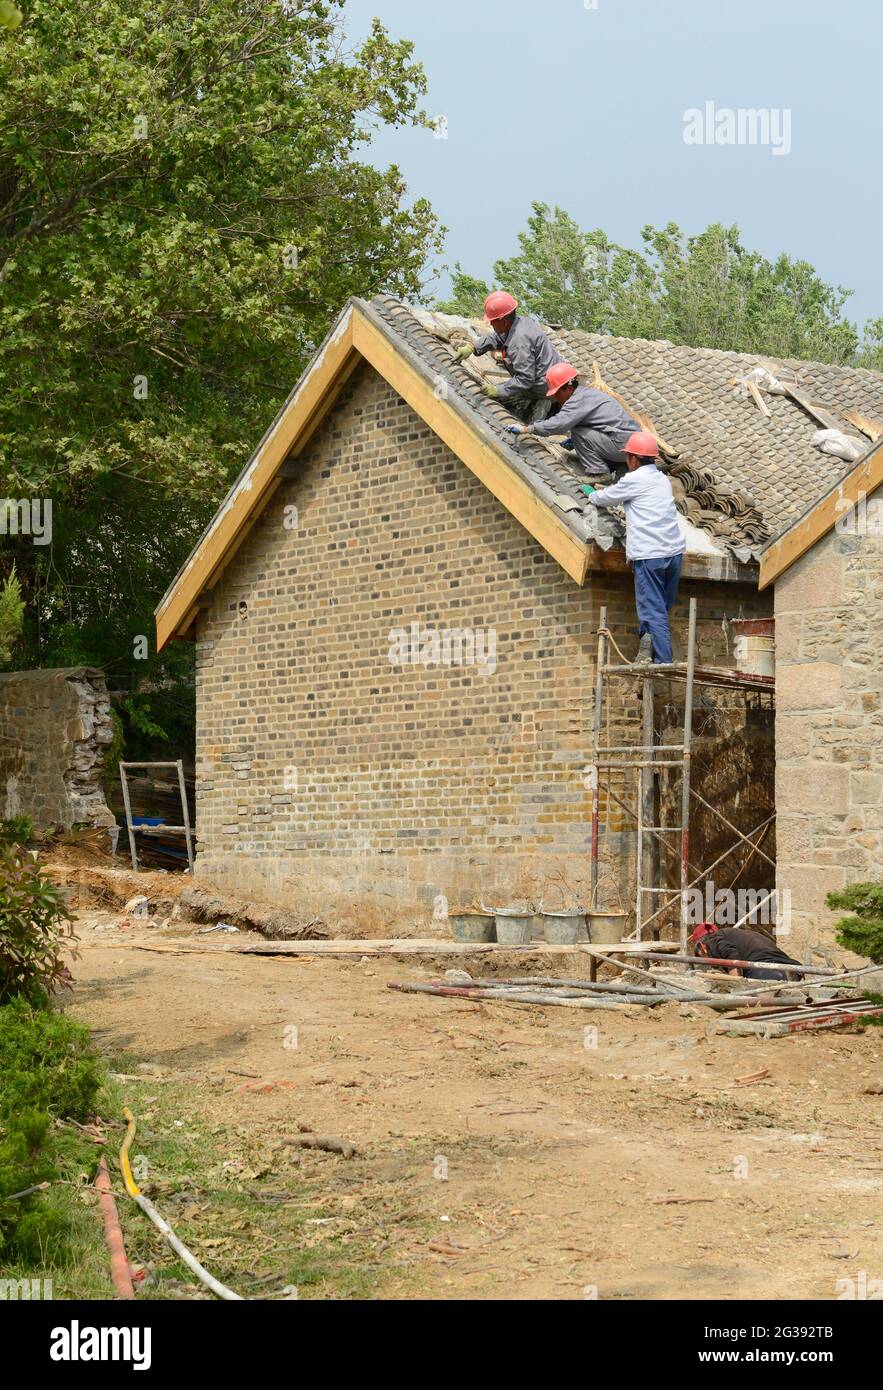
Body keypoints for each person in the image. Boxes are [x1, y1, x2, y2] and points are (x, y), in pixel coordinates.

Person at [587, 431, 686, 663]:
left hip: (650, 555)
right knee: (660, 607)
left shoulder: (634, 479)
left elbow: (606, 498)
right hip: (673, 553)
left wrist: (592, 494)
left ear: (633, 459)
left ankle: (663, 662)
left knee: (653, 611)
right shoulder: (661, 479)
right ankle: (646, 650)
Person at [510, 362, 640, 478]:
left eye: (557, 392)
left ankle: (600, 473)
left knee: (578, 432)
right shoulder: (587, 395)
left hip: (625, 446)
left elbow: (559, 424)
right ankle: (614, 466)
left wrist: (528, 429)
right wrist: (574, 441)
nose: (555, 396)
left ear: (569, 388)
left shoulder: (578, 400)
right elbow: (600, 425)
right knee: (578, 433)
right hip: (629, 445)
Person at [455, 290, 561, 421]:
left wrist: (499, 390)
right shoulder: (519, 322)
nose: (491, 323)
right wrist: (473, 347)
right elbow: (496, 338)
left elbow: (525, 378)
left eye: (493, 321)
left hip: (545, 388)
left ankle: (542, 408)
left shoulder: (519, 342)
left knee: (502, 407)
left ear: (503, 321)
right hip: (545, 381)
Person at [690, 922, 803, 981]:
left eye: (702, 957)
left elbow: (732, 956)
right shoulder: (734, 935)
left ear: (702, 946)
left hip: (766, 971)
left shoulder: (712, 940)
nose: (708, 963)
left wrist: (735, 985)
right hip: (789, 969)